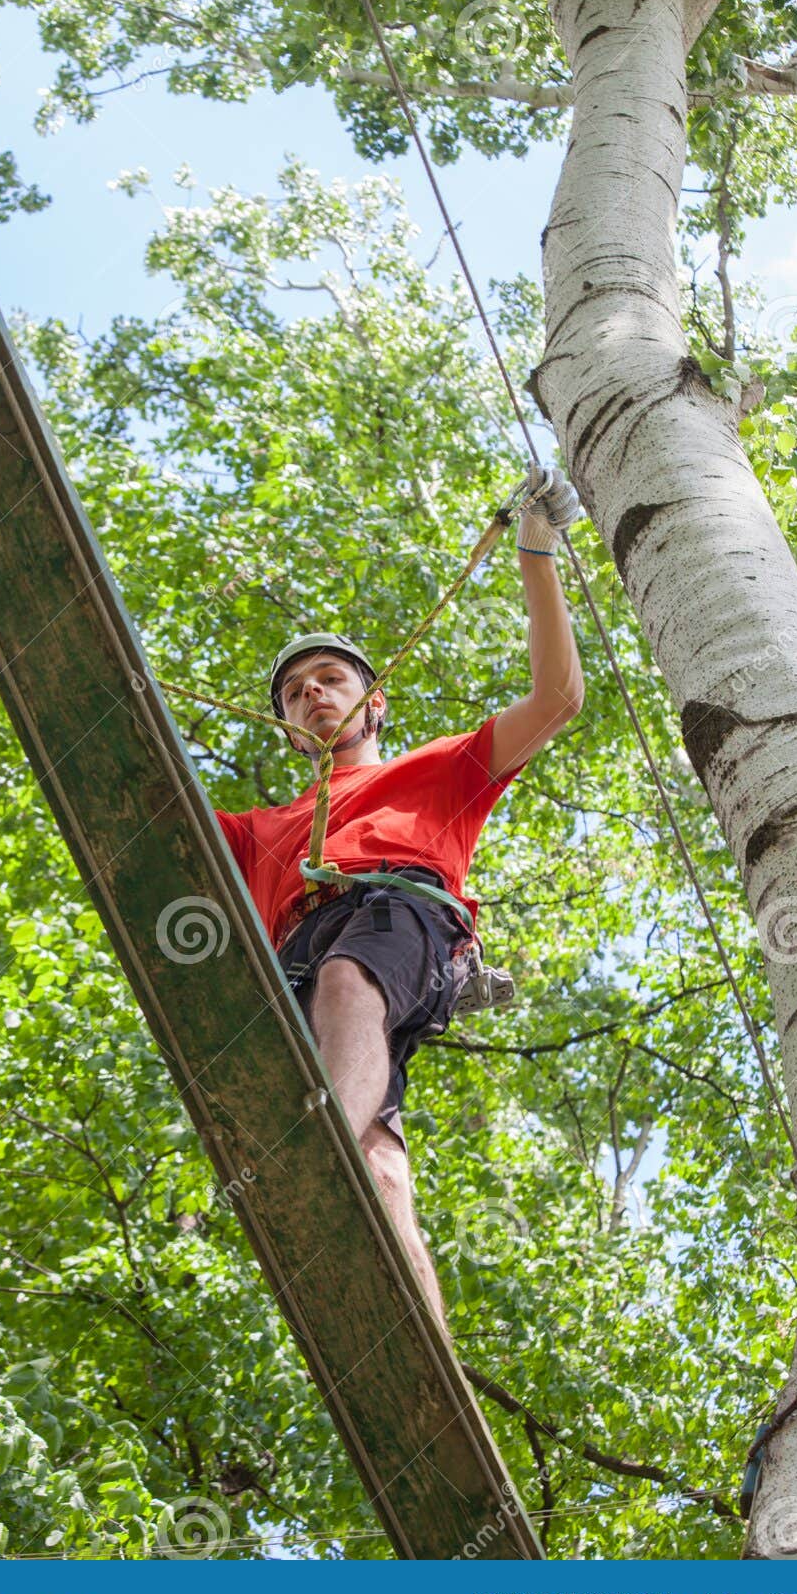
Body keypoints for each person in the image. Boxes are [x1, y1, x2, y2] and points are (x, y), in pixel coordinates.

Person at [214, 465, 584, 1330]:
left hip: (396, 917)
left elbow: (557, 699)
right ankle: (427, 1356)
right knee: (384, 1169)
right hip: (295, 963)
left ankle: (321, 1155)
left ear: (373, 703)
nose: (312, 693)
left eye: (329, 680)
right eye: (295, 690)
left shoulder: (439, 767)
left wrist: (535, 553)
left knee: (349, 983)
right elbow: (149, 811)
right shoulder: (256, 828)